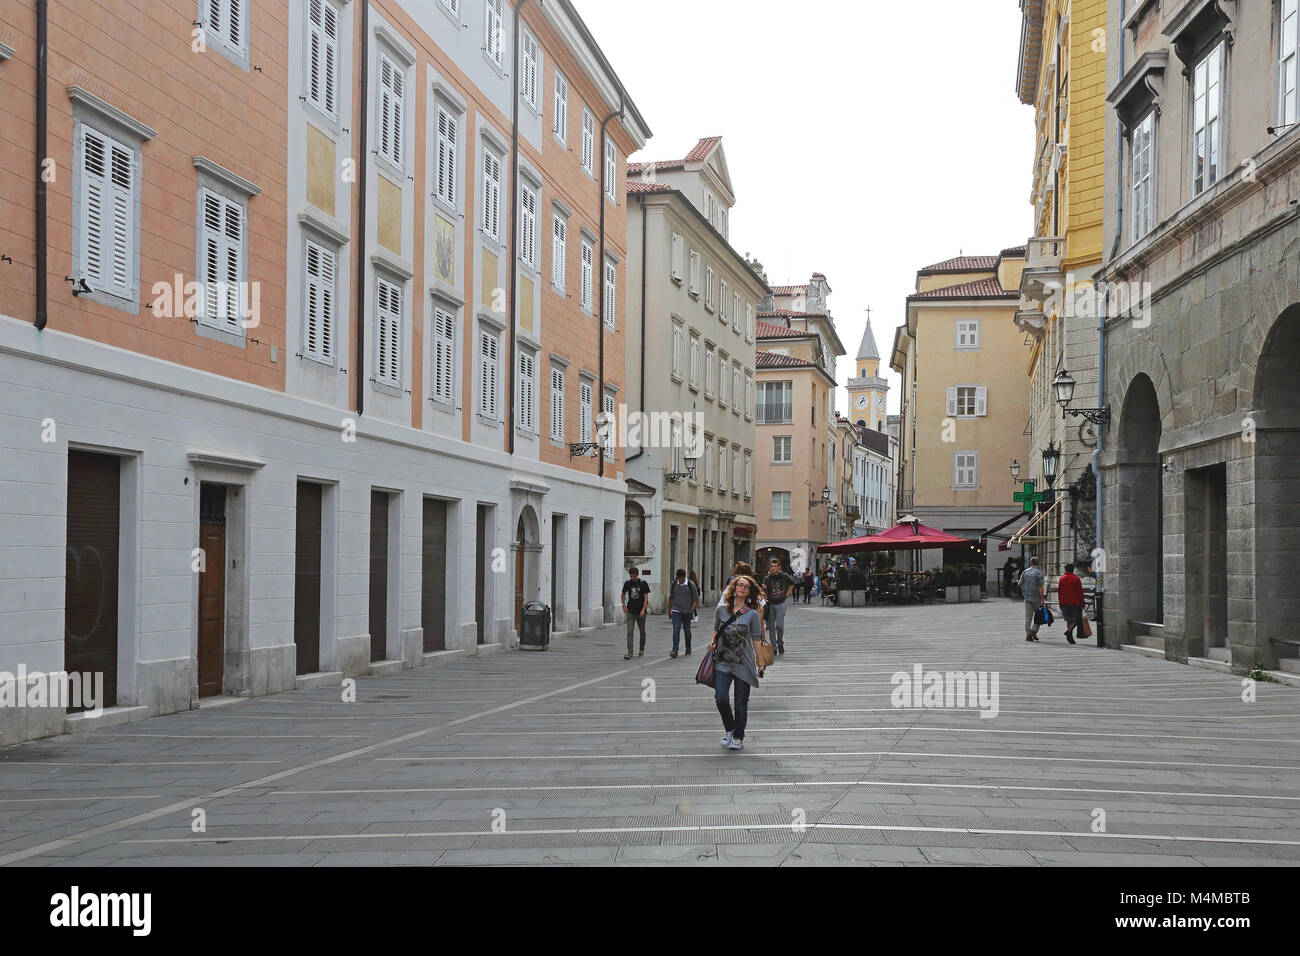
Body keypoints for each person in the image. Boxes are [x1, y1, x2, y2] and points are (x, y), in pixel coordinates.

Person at [707, 574, 765, 751]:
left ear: (749, 592)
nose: (742, 588)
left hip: (743, 663)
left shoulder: (752, 614)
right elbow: (716, 629)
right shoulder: (721, 610)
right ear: (733, 588)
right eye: (740, 585)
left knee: (741, 703)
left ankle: (738, 737)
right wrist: (712, 642)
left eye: (746, 587)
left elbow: (756, 640)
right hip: (723, 660)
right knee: (721, 698)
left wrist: (761, 663)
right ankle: (730, 729)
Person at [763, 557, 796, 655]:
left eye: (775, 566)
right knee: (771, 627)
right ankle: (774, 647)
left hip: (781, 603)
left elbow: (792, 583)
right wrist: (764, 588)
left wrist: (787, 594)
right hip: (771, 604)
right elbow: (764, 589)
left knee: (780, 626)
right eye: (771, 566)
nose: (773, 568)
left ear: (779, 567)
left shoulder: (783, 575)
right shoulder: (767, 578)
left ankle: (780, 642)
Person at [668, 568, 699, 658]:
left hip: (687, 612)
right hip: (676, 611)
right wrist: (669, 610)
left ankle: (688, 648)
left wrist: (692, 610)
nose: (680, 581)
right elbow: (671, 598)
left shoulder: (690, 584)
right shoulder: (674, 585)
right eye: (679, 579)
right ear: (677, 577)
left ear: (684, 577)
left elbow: (695, 599)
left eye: (682, 579)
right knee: (676, 630)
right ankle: (675, 650)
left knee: (687, 631)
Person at [621, 567, 651, 659]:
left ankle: (641, 649)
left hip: (641, 611)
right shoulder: (627, 583)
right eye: (631, 576)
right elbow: (623, 594)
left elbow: (646, 597)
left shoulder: (643, 583)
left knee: (642, 631)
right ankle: (630, 652)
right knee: (630, 631)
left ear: (637, 575)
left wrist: (643, 609)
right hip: (630, 611)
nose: (632, 577)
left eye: (634, 576)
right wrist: (624, 605)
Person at [1058, 562, 1084, 645]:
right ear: (1073, 569)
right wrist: (1082, 603)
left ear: (1065, 569)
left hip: (1064, 602)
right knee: (1076, 620)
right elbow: (1080, 592)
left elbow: (1059, 591)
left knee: (1069, 620)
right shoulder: (1076, 578)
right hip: (1074, 602)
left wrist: (1060, 601)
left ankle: (1070, 637)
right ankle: (1069, 632)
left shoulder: (1062, 578)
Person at [1020, 556, 1045, 642]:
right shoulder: (1039, 573)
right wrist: (1042, 599)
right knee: (1038, 616)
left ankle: (1028, 634)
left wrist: (1024, 592)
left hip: (1027, 598)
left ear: (1030, 563)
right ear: (1037, 563)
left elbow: (1020, 584)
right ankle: (1033, 631)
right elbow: (1040, 587)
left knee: (1028, 617)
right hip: (1037, 598)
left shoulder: (1025, 572)